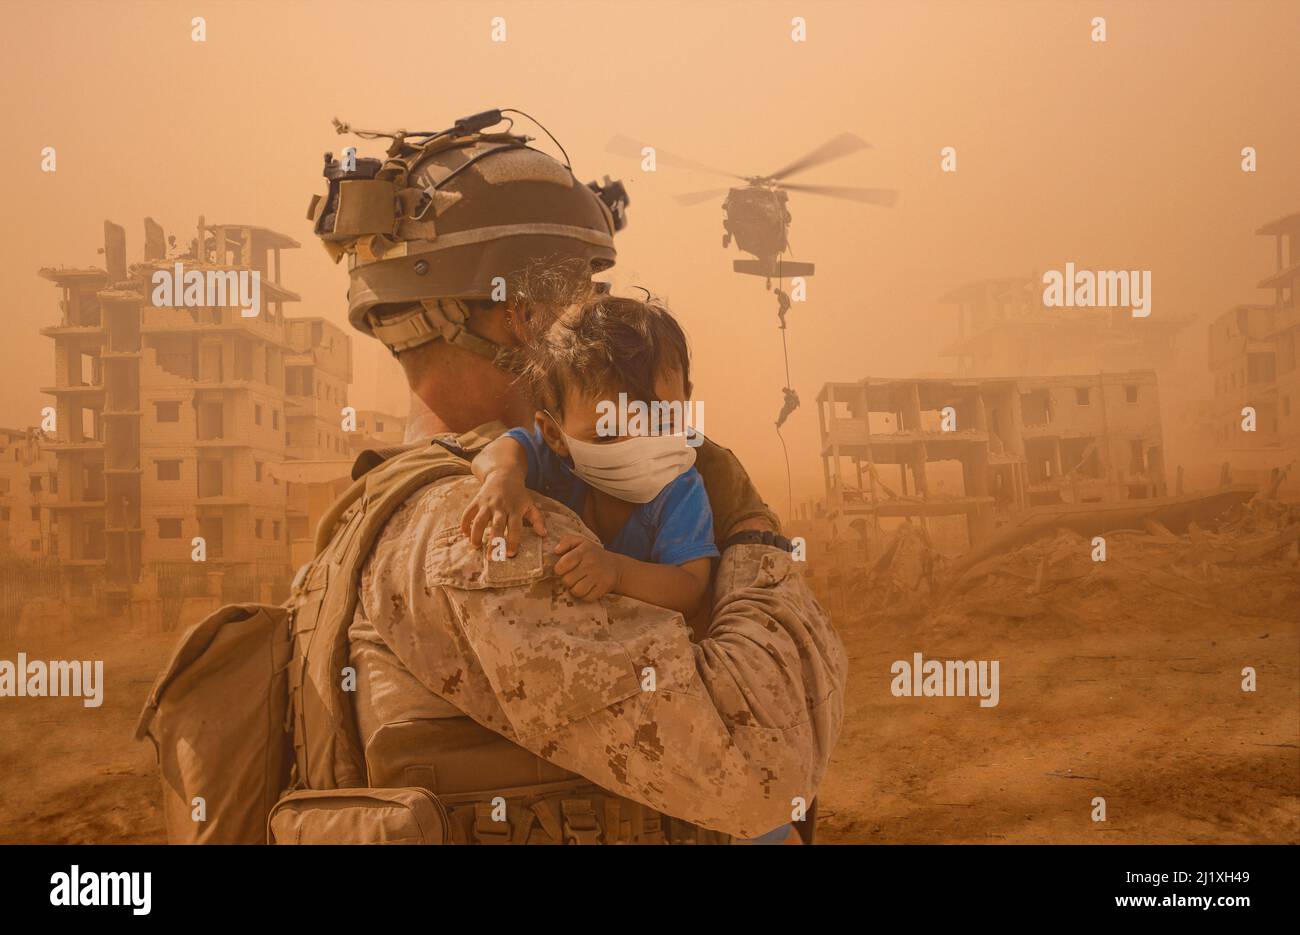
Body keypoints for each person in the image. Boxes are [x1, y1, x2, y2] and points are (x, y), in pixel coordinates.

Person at [289, 111, 847, 844]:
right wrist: (752, 540)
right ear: (524, 318)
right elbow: (763, 761)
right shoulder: (487, 531)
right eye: (582, 296)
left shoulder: (414, 497)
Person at [461, 292, 715, 619]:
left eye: (661, 424)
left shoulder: (679, 488)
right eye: (607, 434)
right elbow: (499, 450)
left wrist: (618, 572)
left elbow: (690, 586)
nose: (638, 447)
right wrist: (502, 477)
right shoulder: (554, 461)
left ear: (686, 400)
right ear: (555, 435)